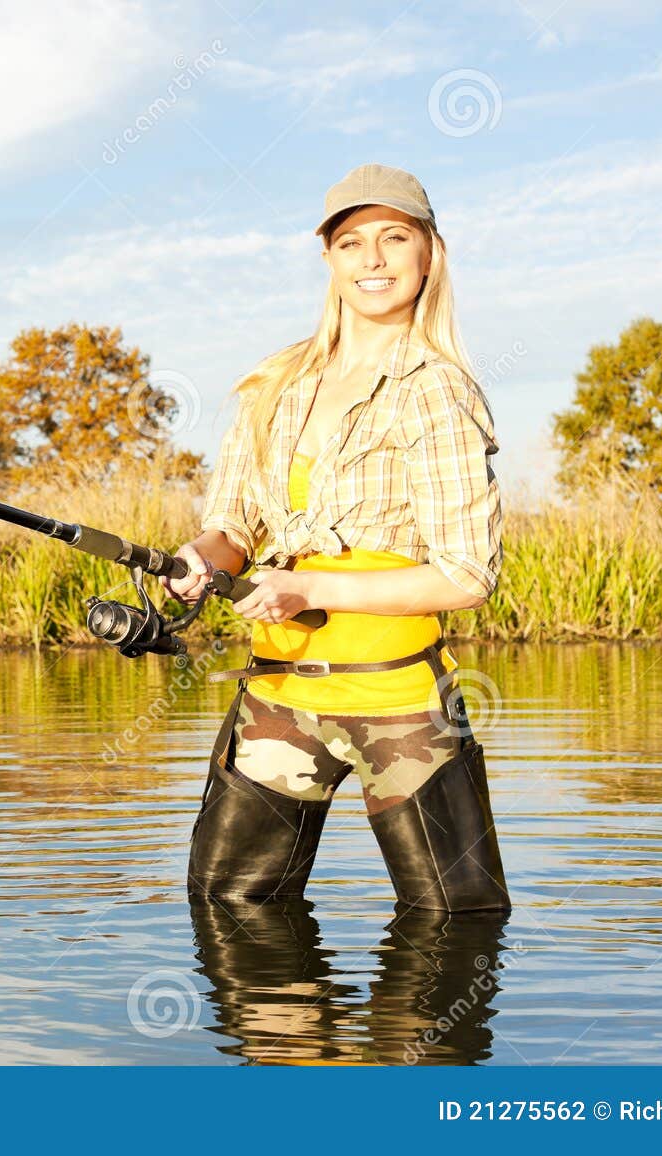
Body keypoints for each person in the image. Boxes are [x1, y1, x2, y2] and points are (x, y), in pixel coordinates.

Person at [163, 163, 509, 912]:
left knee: (457, 925)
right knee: (227, 913)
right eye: (352, 242)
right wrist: (199, 560)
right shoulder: (273, 385)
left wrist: (309, 586)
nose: (373, 259)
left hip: (399, 696)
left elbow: (467, 576)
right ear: (329, 259)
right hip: (278, 693)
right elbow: (231, 529)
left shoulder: (439, 390)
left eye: (395, 238)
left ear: (429, 254)